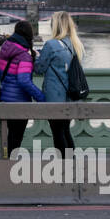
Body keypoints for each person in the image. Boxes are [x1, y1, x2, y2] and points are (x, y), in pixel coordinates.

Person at [33, 10, 83, 155]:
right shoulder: (74, 44)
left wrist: (36, 56)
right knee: (65, 130)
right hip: (70, 95)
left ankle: (64, 166)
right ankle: (71, 165)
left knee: (57, 132)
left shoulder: (51, 45)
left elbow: (39, 69)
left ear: (55, 25)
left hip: (55, 96)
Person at [0, 19, 45, 155]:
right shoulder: (24, 55)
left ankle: (5, 162)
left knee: (10, 136)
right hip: (19, 101)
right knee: (16, 138)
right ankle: (9, 167)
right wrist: (41, 97)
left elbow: (2, 73)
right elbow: (24, 81)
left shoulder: (5, 48)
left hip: (5, 98)